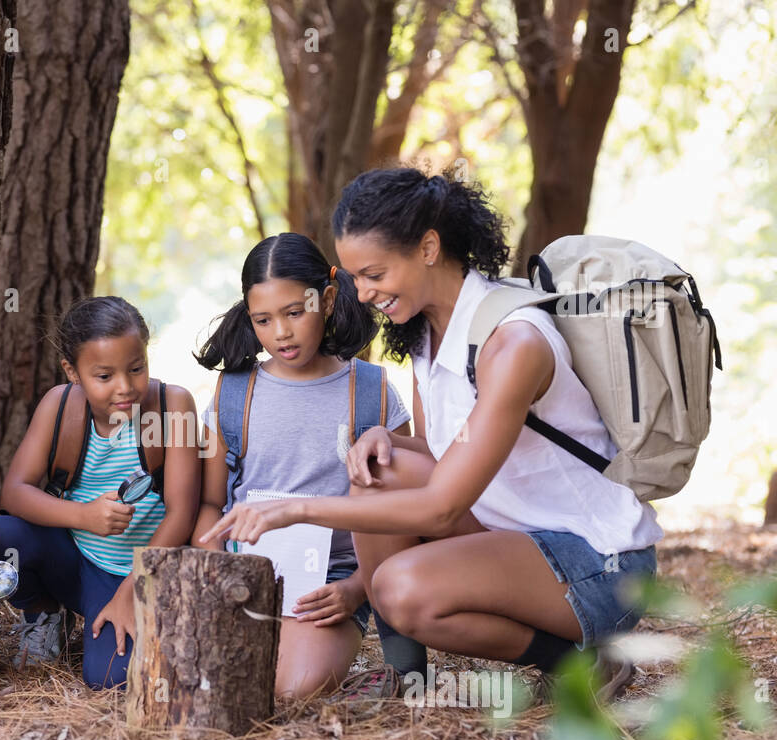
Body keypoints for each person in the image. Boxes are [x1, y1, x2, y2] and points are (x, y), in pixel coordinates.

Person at [201, 167, 660, 701]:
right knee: (377, 467)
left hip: (596, 565)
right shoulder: (428, 333)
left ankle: (579, 667)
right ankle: (406, 675)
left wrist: (296, 509)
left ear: (428, 247)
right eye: (354, 278)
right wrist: (387, 440)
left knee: (400, 590)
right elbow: (452, 453)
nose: (363, 293)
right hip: (520, 539)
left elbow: (440, 507)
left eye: (374, 274)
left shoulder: (513, 345)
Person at [191, 232, 410, 697]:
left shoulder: (370, 391)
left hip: (331, 584)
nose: (282, 333)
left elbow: (408, 512)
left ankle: (370, 673)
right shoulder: (233, 392)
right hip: (244, 574)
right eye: (264, 320)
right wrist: (217, 575)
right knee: (223, 683)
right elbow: (211, 503)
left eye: (295, 313)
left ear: (327, 300)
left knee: (291, 691)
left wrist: (356, 589)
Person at [0, 296, 202, 689]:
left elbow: (182, 514)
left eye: (136, 369)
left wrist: (133, 588)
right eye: (104, 376)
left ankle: (117, 613)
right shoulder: (59, 406)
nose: (125, 387)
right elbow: (15, 491)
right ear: (72, 371)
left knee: (109, 679)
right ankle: (45, 613)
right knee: (0, 535)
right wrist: (83, 516)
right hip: (73, 559)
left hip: (136, 568)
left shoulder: (174, 406)